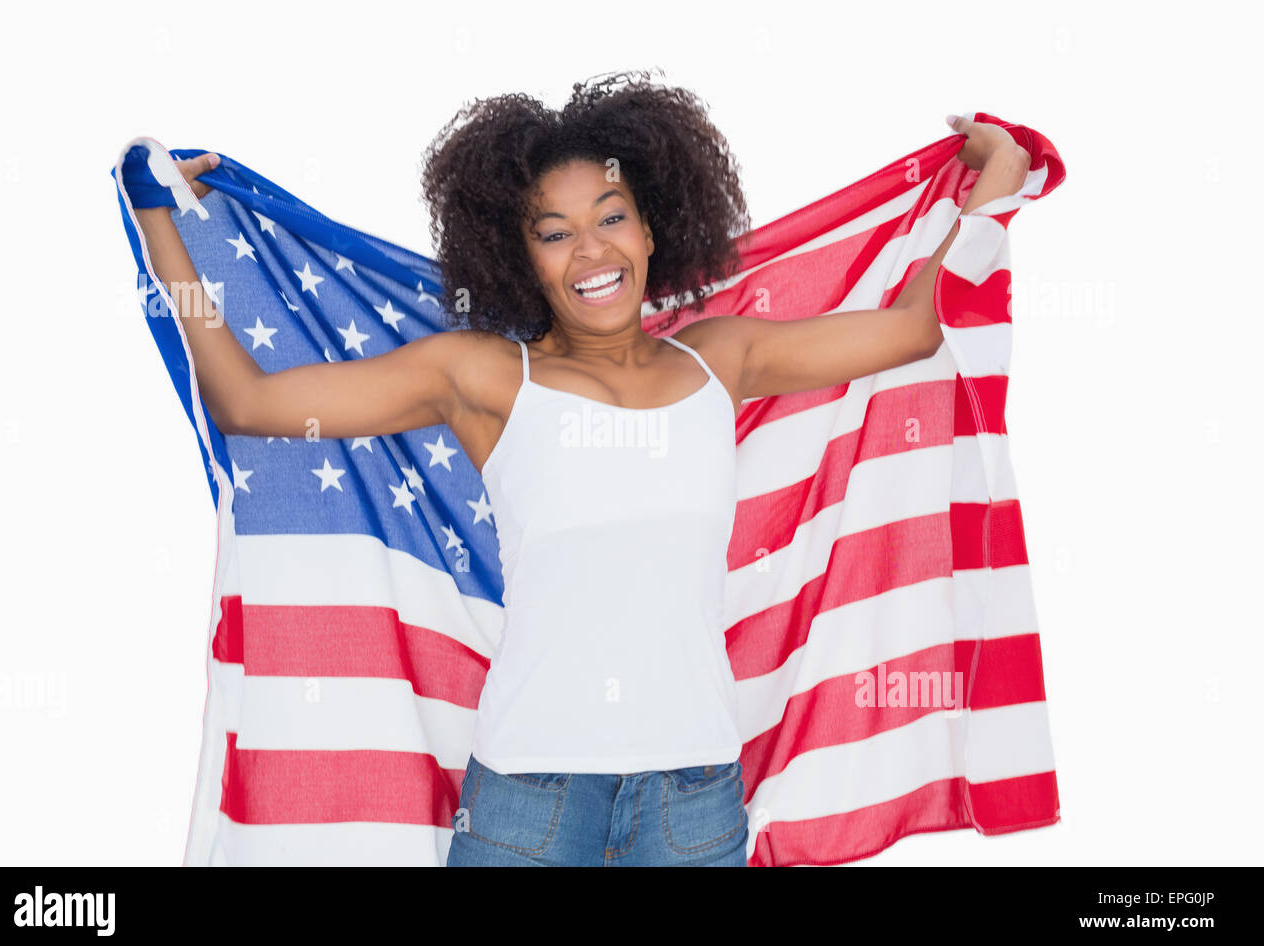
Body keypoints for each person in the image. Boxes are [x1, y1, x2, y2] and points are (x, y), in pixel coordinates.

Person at [130, 71, 1029, 866]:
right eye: (555, 234)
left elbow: (917, 325)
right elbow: (248, 402)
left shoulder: (726, 357)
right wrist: (159, 218)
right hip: (528, 804)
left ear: (652, 229)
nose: (593, 252)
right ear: (520, 257)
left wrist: (997, 175)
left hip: (693, 803)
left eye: (612, 218)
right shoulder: (484, 375)